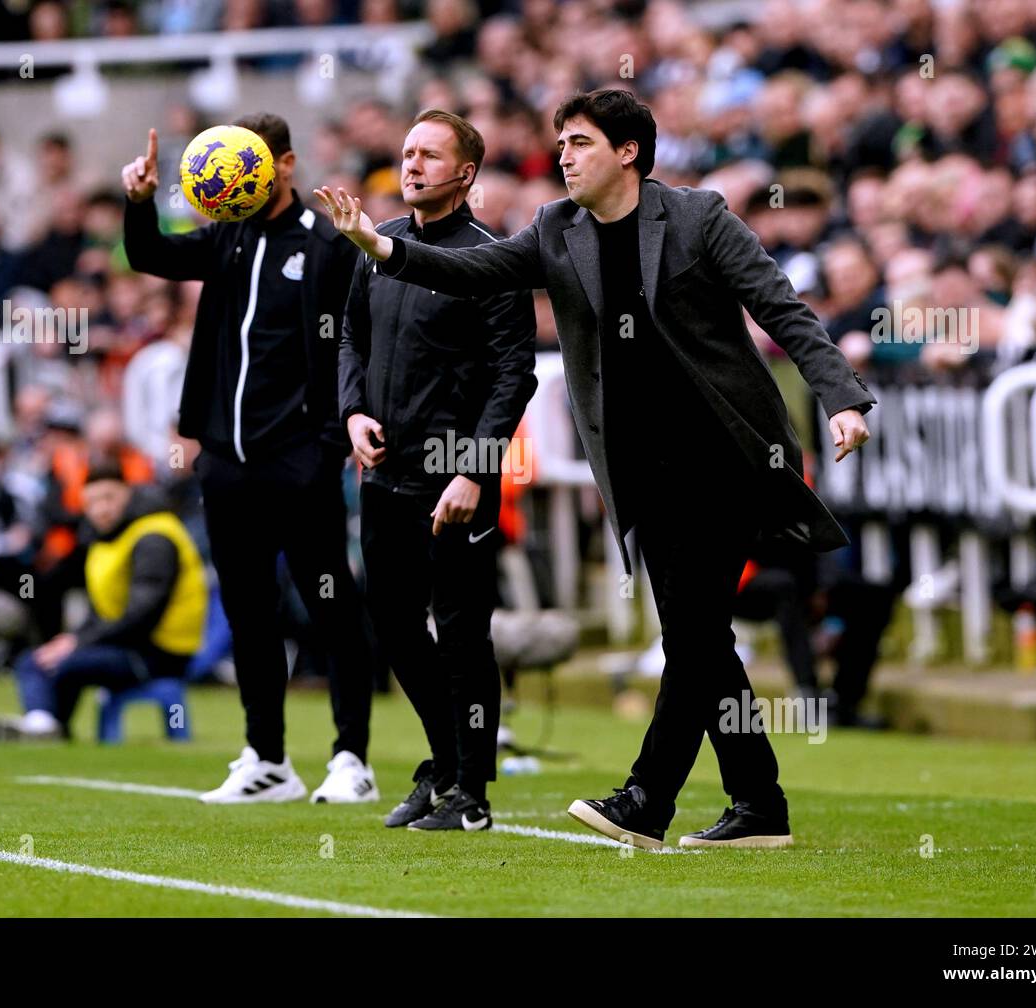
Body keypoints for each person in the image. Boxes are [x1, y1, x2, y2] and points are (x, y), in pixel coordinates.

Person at [317, 89, 874, 849]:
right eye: (561, 143)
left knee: (693, 633)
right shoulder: (556, 228)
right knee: (700, 638)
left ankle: (647, 799)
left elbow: (783, 310)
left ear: (627, 153)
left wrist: (842, 399)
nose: (563, 157)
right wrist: (380, 249)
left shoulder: (699, 218)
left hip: (728, 458)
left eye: (578, 142)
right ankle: (759, 802)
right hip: (645, 471)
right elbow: (474, 270)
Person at [123, 114, 379, 803]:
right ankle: (268, 758)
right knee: (247, 611)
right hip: (226, 463)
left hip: (300, 458)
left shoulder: (325, 243)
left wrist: (327, 440)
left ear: (286, 164)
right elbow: (153, 258)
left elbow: (356, 339)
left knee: (330, 604)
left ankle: (352, 755)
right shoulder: (228, 235)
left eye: (257, 162)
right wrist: (141, 202)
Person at [340, 110, 537, 832]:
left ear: (466, 173)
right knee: (392, 624)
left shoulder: (492, 258)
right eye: (406, 151)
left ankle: (471, 794)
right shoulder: (380, 245)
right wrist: (352, 412)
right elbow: (349, 343)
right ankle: (445, 764)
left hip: (457, 475)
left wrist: (477, 472)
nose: (412, 163)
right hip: (384, 472)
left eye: (429, 154)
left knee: (460, 632)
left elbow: (517, 377)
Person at [0, 464, 207, 740]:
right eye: (92, 502)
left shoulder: (154, 536)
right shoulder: (103, 540)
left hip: (160, 653)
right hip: (128, 644)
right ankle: (44, 724)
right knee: (35, 660)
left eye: (108, 498)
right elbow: (102, 610)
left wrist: (78, 643)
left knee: (67, 663)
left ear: (127, 494)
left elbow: (142, 614)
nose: (101, 509)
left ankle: (46, 725)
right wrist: (71, 640)